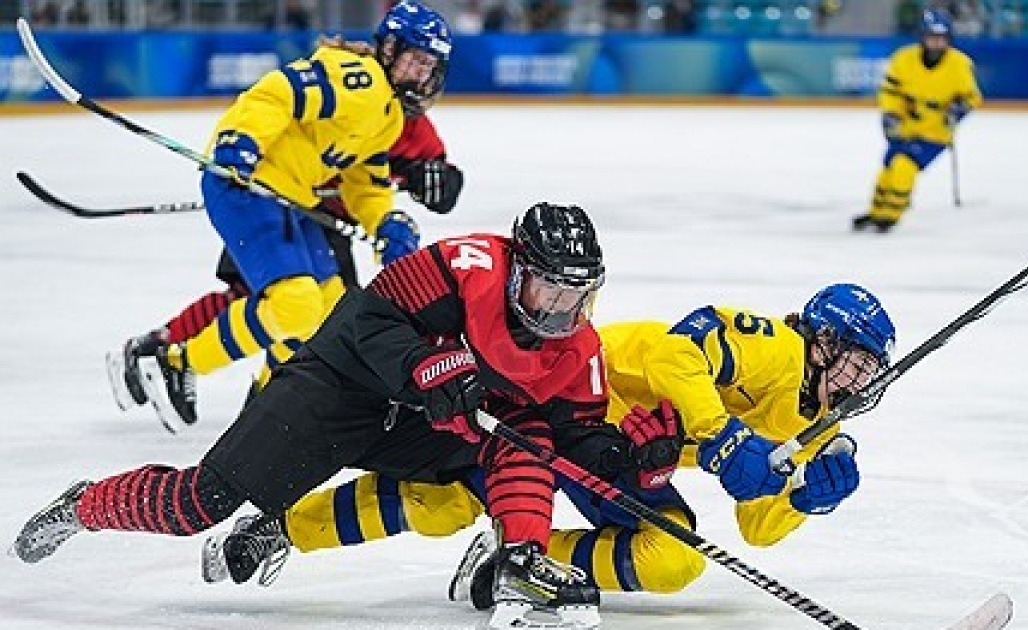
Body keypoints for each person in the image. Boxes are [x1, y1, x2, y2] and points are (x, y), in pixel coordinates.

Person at [13, 202, 617, 630]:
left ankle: (520, 560)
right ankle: (85, 504)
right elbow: (367, 318)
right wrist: (429, 369)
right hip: (334, 390)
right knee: (198, 503)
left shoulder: (578, 349)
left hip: (414, 424)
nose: (562, 310)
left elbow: (572, 434)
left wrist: (616, 456)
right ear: (517, 270)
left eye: (576, 295)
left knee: (525, 438)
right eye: (549, 291)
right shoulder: (462, 266)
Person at [196, 284, 895, 610]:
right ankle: (281, 526)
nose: (862, 381)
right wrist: (722, 434)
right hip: (571, 403)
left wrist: (804, 497)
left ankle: (518, 555)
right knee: (440, 504)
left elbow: (756, 524)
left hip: (630, 456)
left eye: (871, 373)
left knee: (676, 559)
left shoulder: (820, 422)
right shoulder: (773, 346)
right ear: (824, 340)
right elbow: (685, 348)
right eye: (858, 362)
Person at [100, 1, 453, 433]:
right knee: (293, 303)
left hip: (293, 202)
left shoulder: (388, 116)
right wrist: (237, 141)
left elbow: (364, 182)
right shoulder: (357, 79)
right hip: (250, 188)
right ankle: (175, 362)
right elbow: (278, 93)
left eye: (428, 65)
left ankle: (269, 405)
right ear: (390, 48)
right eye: (415, 60)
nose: (421, 74)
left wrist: (385, 223)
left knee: (329, 314)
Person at [853, 8, 982, 233]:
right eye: (932, 37)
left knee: (905, 166)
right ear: (922, 36)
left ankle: (891, 214)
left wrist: (959, 109)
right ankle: (876, 211)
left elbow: (971, 97)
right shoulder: (903, 59)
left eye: (941, 38)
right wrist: (890, 114)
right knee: (888, 169)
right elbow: (890, 91)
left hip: (935, 133)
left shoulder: (960, 64)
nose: (936, 43)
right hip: (905, 127)